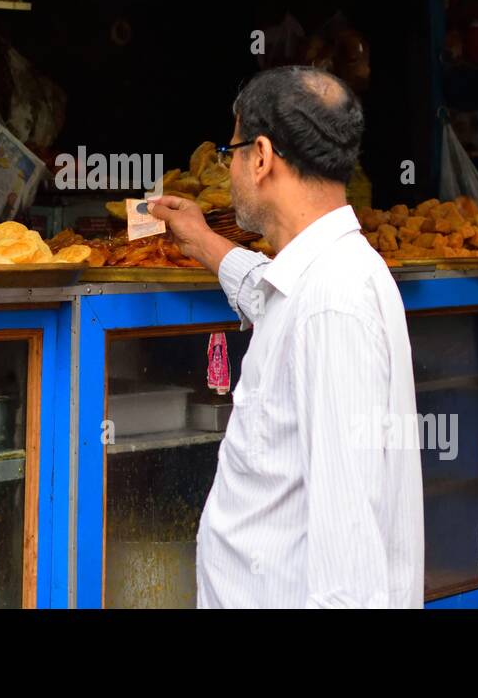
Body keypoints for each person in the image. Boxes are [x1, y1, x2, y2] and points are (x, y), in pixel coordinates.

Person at [150, 66, 423, 608]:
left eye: (231, 154)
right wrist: (205, 242)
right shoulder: (322, 278)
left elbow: (348, 563)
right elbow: (271, 298)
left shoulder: (331, 304)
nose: (229, 171)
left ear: (263, 156)